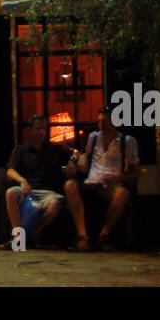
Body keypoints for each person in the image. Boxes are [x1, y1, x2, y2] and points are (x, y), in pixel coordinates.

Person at [64, 105, 139, 251]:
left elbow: (135, 173)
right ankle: (82, 236)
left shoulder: (127, 141)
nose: (101, 125)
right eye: (99, 121)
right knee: (70, 185)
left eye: (104, 121)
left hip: (111, 185)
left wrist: (118, 178)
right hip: (92, 182)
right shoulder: (93, 137)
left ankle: (104, 235)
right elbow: (83, 154)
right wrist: (79, 160)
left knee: (122, 193)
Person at [2, 114, 70, 249]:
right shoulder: (22, 150)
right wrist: (22, 180)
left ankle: (35, 233)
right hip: (29, 190)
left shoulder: (54, 149)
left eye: (44, 129)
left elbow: (75, 154)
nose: (42, 132)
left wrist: (73, 161)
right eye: (38, 129)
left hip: (48, 192)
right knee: (11, 193)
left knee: (55, 203)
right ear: (30, 130)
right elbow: (10, 170)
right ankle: (18, 237)